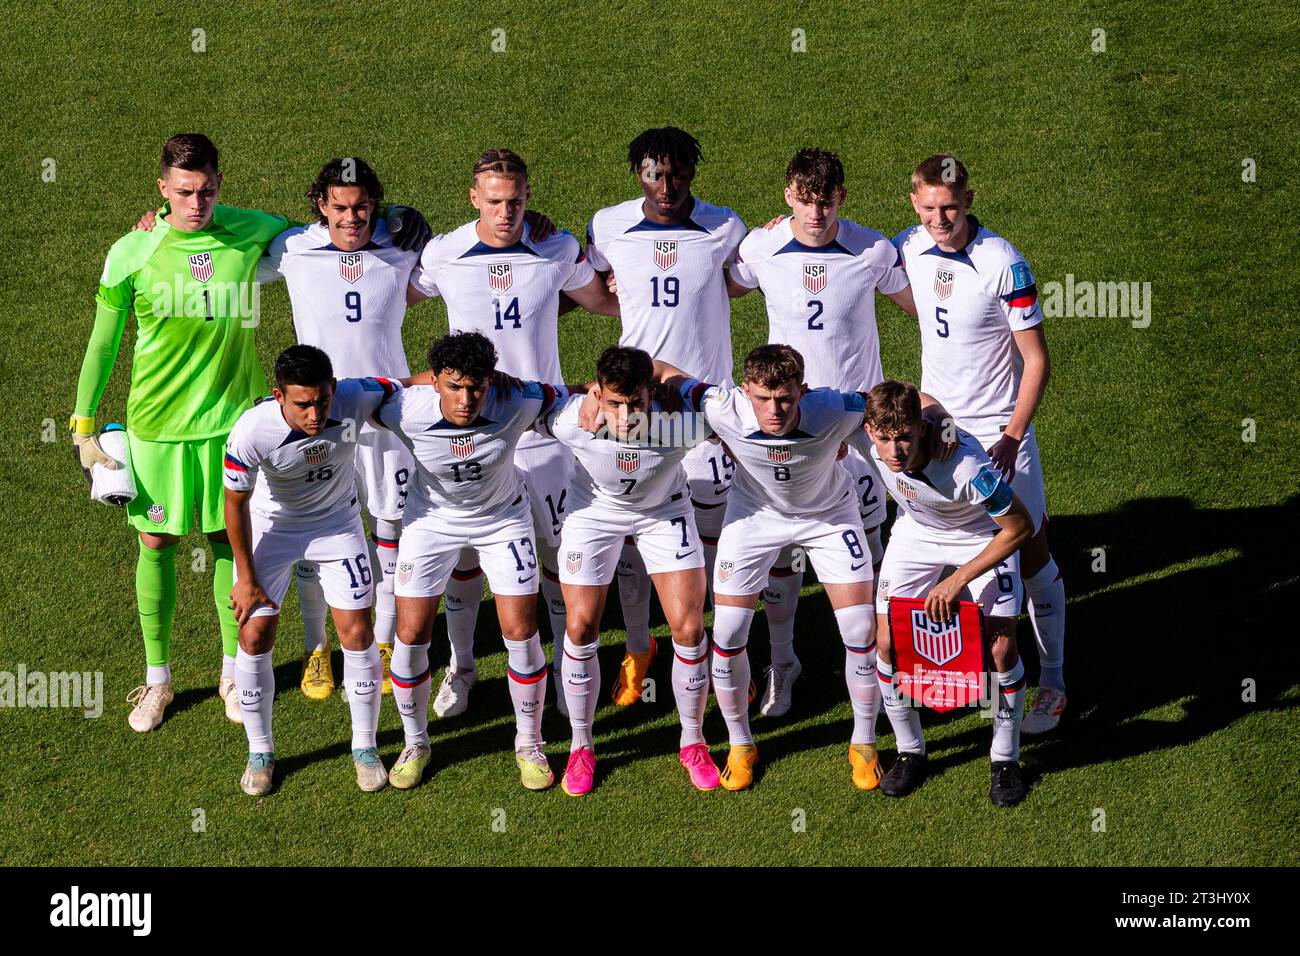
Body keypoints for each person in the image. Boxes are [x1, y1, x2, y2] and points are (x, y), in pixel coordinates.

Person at [407, 148, 619, 719]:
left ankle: (557, 670)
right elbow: (382, 286)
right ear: (474, 198)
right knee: (464, 560)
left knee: (556, 554)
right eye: (496, 201)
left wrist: (635, 270)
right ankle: (463, 668)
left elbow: (604, 301)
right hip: (471, 436)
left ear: (530, 198)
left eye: (518, 201)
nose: (507, 212)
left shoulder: (555, 248)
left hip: (543, 434)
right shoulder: (443, 255)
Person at [729, 147, 915, 716]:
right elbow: (714, 290)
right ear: (788, 195)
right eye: (805, 200)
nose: (815, 213)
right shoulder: (760, 248)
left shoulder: (873, 248)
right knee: (784, 545)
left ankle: (883, 665)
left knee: (874, 543)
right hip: (789, 422)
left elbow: (921, 307)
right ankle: (783, 661)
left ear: (843, 198)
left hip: (858, 426)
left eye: (826, 201)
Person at [654, 345, 884, 792]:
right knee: (726, 635)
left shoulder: (834, 408)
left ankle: (864, 741)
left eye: (784, 398)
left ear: (804, 390)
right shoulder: (722, 407)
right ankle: (740, 744)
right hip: (753, 516)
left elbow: (900, 398)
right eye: (762, 398)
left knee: (859, 630)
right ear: (745, 392)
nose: (773, 410)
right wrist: (590, 397)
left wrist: (942, 425)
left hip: (829, 515)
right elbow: (660, 371)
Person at [894, 154, 1067, 733]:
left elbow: (1036, 358)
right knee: (945, 532)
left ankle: (1055, 680)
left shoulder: (1004, 263)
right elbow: (853, 254)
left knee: (1032, 549)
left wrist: (1014, 436)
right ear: (913, 206)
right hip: (936, 431)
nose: (939, 219)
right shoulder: (907, 246)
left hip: (997, 433)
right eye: (928, 209)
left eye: (949, 207)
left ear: (968, 201)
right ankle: (963, 671)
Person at [374, 331, 582, 791]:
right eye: (454, 387)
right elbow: (349, 396)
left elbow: (574, 396)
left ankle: (529, 743)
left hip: (503, 520)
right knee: (410, 634)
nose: (466, 399)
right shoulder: (403, 408)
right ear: (434, 383)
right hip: (430, 523)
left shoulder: (518, 401)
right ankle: (416, 743)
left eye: (477, 387)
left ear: (491, 382)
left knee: (520, 630)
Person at [585, 126, 747, 706]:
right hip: (636, 410)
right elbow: (585, 282)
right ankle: (637, 647)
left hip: (704, 412)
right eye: (655, 173)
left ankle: (710, 654)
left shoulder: (726, 226)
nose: (666, 184)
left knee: (708, 541)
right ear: (639, 175)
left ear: (692, 173)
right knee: (632, 538)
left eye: (677, 172)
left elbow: (745, 281)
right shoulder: (607, 226)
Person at [223, 345, 428, 795]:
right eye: (302, 404)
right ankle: (260, 753)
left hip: (337, 524)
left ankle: (365, 748)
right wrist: (246, 576)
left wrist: (482, 384)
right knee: (255, 635)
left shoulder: (354, 397)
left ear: (333, 388)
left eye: (322, 400)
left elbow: (410, 382)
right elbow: (234, 504)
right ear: (278, 396)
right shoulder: (251, 432)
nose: (315, 414)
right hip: (274, 528)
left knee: (356, 633)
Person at [256, 157, 421, 702]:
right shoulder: (294, 249)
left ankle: (383, 640)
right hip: (317, 420)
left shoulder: (403, 249)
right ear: (321, 207)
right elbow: (224, 236)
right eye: (339, 208)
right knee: (314, 533)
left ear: (376, 204)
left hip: (383, 415)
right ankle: (317, 649)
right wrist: (158, 217)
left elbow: (483, 265)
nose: (351, 218)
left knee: (391, 528)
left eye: (363, 207)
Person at [545, 346, 717, 794]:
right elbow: (517, 404)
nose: (624, 417)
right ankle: (581, 747)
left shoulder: (685, 423)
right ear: (598, 393)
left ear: (652, 393)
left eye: (635, 405)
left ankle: (692, 741)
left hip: (664, 511)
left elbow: (746, 415)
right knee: (580, 629)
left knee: (689, 629)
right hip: (594, 512)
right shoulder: (571, 420)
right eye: (614, 404)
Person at [862, 379, 1034, 806]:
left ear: (919, 429)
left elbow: (1020, 528)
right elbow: (921, 398)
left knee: (1000, 650)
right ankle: (911, 752)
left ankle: (1004, 759)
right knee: (886, 642)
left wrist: (956, 582)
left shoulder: (966, 468)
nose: (895, 450)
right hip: (917, 530)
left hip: (981, 535)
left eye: (903, 436)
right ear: (869, 432)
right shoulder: (871, 430)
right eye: (884, 439)